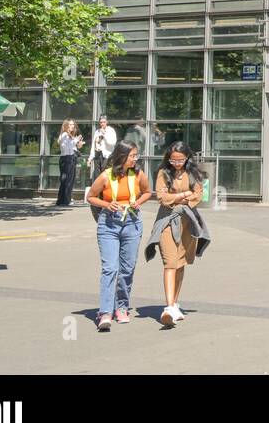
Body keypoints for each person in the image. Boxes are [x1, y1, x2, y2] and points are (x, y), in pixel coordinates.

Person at [87, 142, 152, 331]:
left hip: (132, 223)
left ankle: (122, 307)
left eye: (136, 155)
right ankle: (105, 312)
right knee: (110, 268)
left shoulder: (138, 174)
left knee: (127, 269)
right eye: (132, 155)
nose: (135, 159)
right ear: (121, 156)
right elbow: (90, 196)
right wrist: (106, 205)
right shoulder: (106, 176)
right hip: (109, 224)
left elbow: (148, 192)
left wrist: (138, 202)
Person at [145, 141, 211, 326]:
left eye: (180, 160)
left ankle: (174, 304)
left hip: (188, 222)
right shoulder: (163, 173)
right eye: (173, 160)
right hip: (167, 220)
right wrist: (183, 195)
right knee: (170, 262)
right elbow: (162, 198)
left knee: (181, 263)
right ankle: (168, 307)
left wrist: (179, 197)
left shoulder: (194, 173)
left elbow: (198, 195)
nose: (176, 163)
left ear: (187, 157)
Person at [55, 120, 84, 206]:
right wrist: (76, 140)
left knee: (66, 180)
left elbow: (71, 147)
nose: (72, 126)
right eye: (70, 124)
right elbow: (66, 147)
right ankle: (65, 200)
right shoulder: (65, 135)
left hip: (68, 158)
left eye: (73, 125)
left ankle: (62, 200)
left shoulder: (68, 135)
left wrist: (78, 143)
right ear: (66, 126)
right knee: (67, 180)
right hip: (67, 158)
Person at [89, 116, 116, 181]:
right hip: (97, 154)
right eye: (101, 122)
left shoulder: (110, 130)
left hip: (107, 155)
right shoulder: (97, 132)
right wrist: (91, 157)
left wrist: (104, 134)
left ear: (107, 122)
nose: (102, 124)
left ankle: (106, 187)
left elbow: (112, 143)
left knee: (105, 173)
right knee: (97, 175)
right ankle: (98, 187)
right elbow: (93, 145)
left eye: (104, 122)